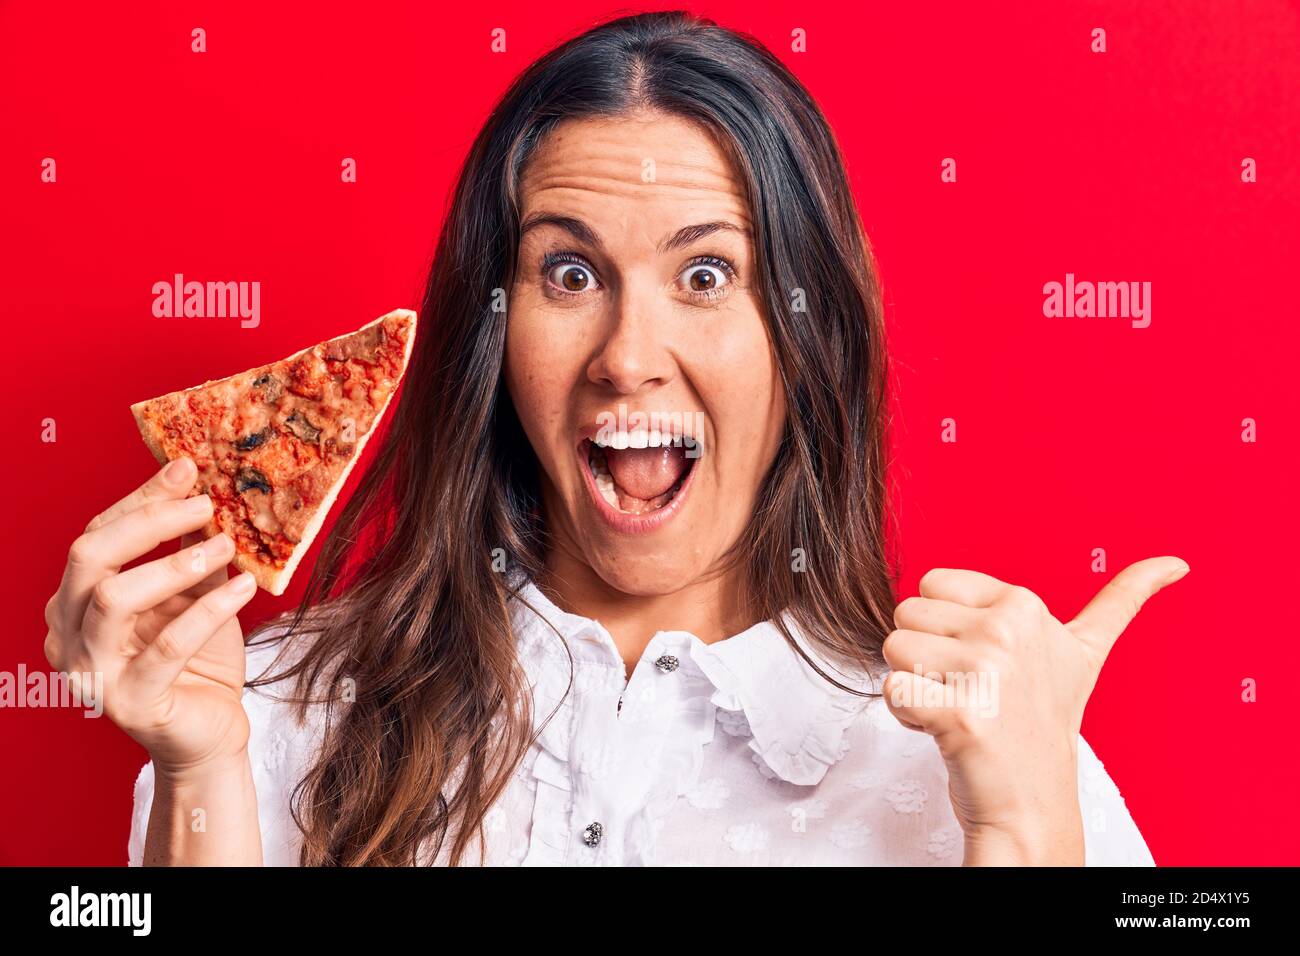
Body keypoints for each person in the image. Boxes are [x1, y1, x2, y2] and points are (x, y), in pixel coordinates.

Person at [43, 10, 1181, 867]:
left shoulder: (997, 750)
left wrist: (1029, 822)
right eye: (570, 272)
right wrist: (200, 768)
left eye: (705, 273)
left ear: (807, 335)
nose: (628, 354)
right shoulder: (272, 711)